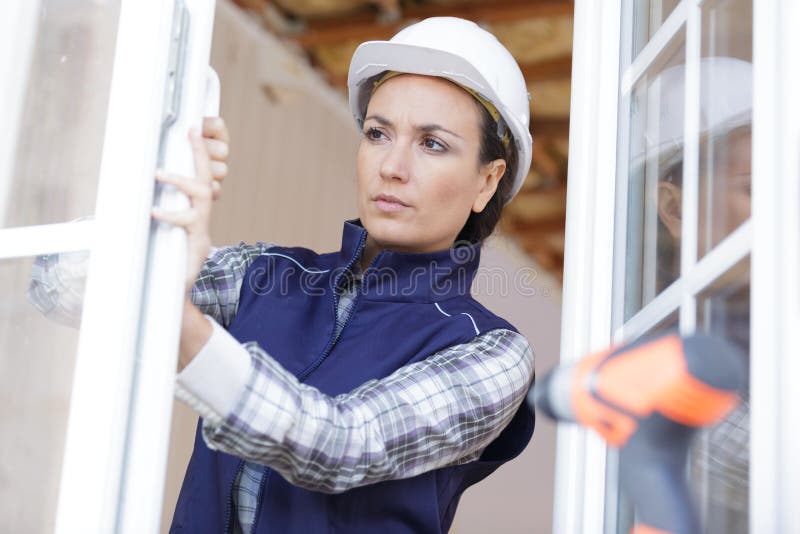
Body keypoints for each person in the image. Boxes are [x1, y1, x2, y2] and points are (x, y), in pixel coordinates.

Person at [149, 17, 536, 533]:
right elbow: (61, 285)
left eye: (432, 144)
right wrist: (160, 208)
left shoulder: (491, 353)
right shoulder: (266, 274)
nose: (392, 166)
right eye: (378, 133)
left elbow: (342, 445)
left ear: (487, 181)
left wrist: (179, 318)